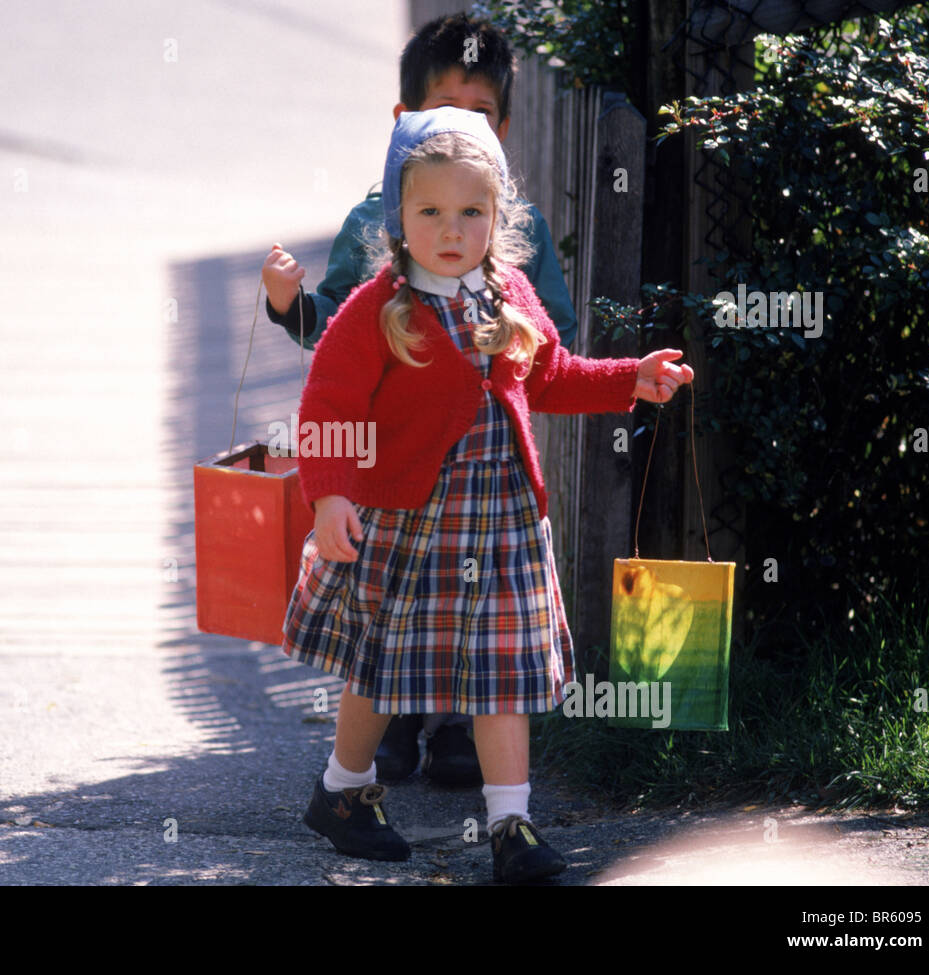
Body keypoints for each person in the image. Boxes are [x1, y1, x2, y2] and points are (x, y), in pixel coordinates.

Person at [280, 106, 693, 883]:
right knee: (380, 664)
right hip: (405, 519)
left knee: (504, 668)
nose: (450, 226)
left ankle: (512, 824)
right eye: (430, 210)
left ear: (496, 217)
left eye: (471, 210)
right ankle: (341, 791)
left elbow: (554, 376)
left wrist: (630, 379)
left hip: (500, 519)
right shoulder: (378, 309)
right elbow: (327, 406)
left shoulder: (508, 302)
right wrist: (330, 498)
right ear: (398, 217)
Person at [264, 13, 576, 786]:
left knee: (483, 608)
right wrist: (286, 304)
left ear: (503, 127)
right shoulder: (379, 222)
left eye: (481, 116)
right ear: (403, 123)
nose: (464, 130)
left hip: (484, 478)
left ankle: (468, 740)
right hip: (396, 464)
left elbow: (551, 345)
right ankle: (393, 729)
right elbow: (334, 338)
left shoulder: (514, 232)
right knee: (401, 601)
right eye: (445, 112)